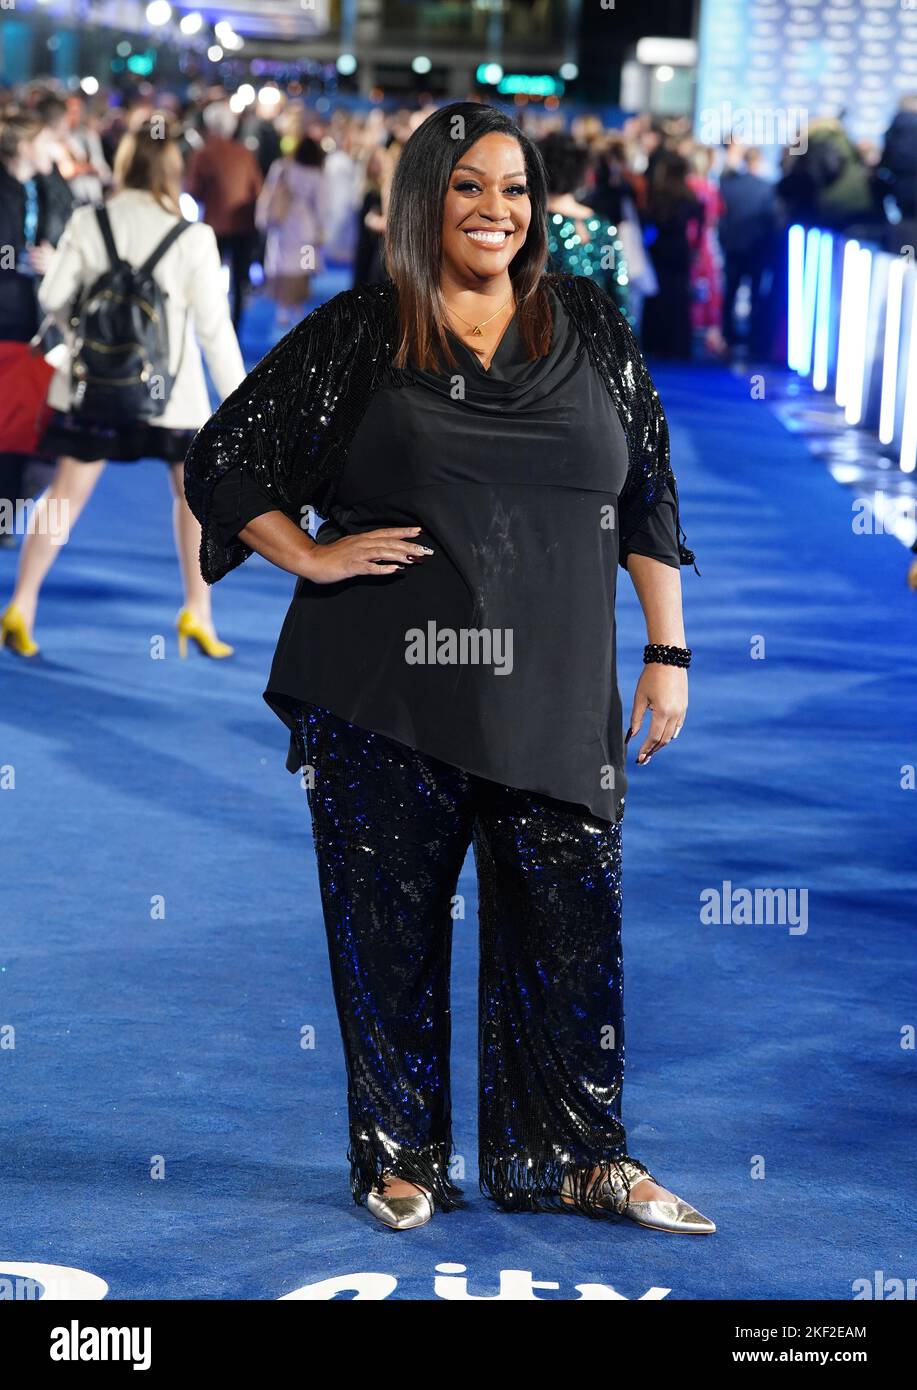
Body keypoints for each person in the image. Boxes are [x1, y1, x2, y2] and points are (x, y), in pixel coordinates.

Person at [184, 102, 712, 1235]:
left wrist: (665, 648)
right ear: (423, 199)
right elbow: (224, 457)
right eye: (468, 187)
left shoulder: (586, 324)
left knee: (572, 935)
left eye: (513, 188)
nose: (495, 210)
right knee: (388, 937)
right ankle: (395, 1155)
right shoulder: (364, 330)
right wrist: (311, 555)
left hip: (558, 696)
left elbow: (646, 491)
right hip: (388, 688)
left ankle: (576, 1158)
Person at [0, 121, 245, 660]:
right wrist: (241, 403)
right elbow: (213, 330)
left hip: (94, 389)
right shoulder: (193, 237)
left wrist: (81, 339)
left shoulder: (91, 222)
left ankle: (22, 602)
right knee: (192, 498)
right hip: (172, 399)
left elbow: (56, 298)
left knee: (64, 496)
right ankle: (197, 612)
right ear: (172, 170)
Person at [184, 101, 263, 330]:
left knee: (208, 277)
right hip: (243, 225)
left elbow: (193, 189)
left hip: (213, 226)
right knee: (239, 280)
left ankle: (210, 323)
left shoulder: (204, 154)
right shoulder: (245, 154)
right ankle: (234, 326)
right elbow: (256, 189)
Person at [538, 131, 629, 318]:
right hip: (598, 330)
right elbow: (616, 283)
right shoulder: (603, 228)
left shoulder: (536, 224)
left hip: (551, 330)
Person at [255, 135, 327, 327]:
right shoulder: (315, 174)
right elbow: (320, 206)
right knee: (304, 267)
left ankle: (282, 308)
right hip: (306, 229)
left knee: (281, 265)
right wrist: (321, 229)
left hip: (282, 224)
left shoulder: (282, 167)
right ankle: (298, 307)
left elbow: (268, 192)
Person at [641, 150, 704, 360]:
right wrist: (693, 249)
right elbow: (699, 226)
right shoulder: (690, 197)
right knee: (679, 297)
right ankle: (678, 344)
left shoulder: (658, 197)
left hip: (659, 251)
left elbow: (650, 225)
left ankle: (657, 343)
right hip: (680, 251)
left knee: (658, 297)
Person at [719, 145, 778, 359]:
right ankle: (754, 339)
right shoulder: (767, 188)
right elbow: (771, 220)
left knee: (730, 292)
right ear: (759, 162)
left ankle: (728, 335)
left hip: (733, 248)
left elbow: (722, 217)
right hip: (756, 249)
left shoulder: (730, 186)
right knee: (755, 294)